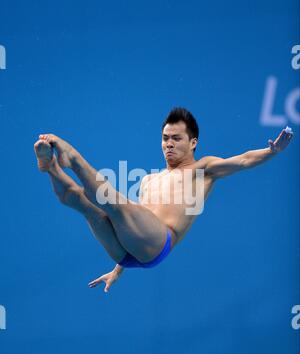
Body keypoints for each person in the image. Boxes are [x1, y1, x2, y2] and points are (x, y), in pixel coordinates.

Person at [33, 108, 293, 293]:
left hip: (160, 244)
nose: (169, 144)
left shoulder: (204, 168)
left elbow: (245, 160)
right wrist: (117, 270)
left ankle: (73, 158)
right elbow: (131, 226)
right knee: (81, 202)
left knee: (114, 204)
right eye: (165, 138)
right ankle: (52, 168)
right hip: (128, 255)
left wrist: (272, 151)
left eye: (176, 138)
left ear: (193, 142)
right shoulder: (149, 180)